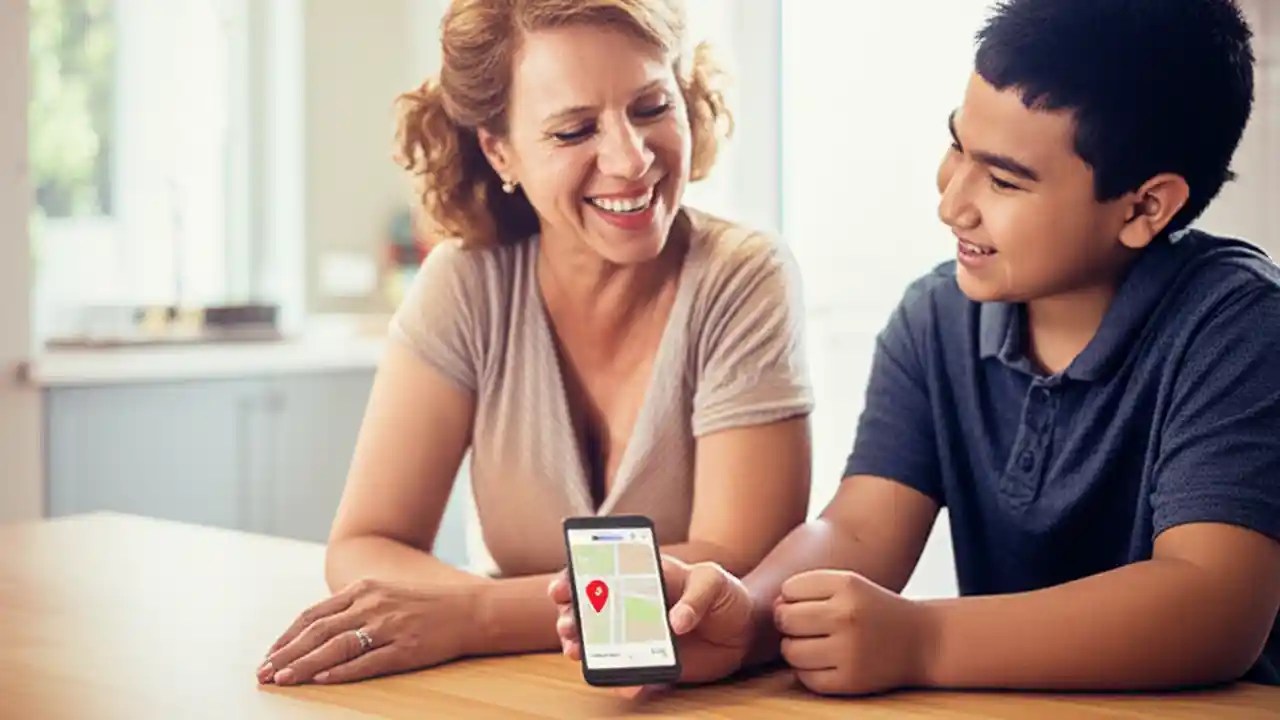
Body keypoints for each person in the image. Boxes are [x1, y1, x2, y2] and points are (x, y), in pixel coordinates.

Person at [554, 0, 1280, 694]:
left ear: (1145, 206)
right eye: (957, 146)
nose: (950, 201)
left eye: (1001, 179)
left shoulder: (1237, 326)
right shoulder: (937, 316)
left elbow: (1213, 604)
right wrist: (746, 614)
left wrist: (923, 640)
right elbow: (861, 527)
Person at [256, 0, 814, 687]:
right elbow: (366, 544)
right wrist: (483, 615)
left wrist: (474, 616)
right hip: (525, 691)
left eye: (650, 108)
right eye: (575, 129)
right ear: (500, 150)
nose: (631, 159)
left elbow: (734, 567)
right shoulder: (467, 287)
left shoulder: (742, 277)